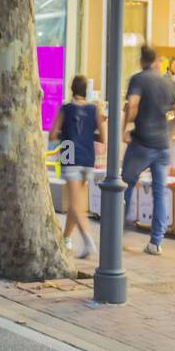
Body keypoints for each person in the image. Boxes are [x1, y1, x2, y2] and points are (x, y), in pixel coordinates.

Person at [122, 45, 175, 255]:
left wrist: (124, 129)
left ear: (140, 60)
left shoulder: (138, 79)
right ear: (157, 60)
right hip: (163, 145)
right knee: (159, 192)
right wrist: (171, 134)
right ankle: (156, 242)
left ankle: (117, 233)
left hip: (141, 143)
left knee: (124, 186)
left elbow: (133, 105)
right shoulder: (168, 82)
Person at [49, 75, 104, 259]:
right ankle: (65, 238)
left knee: (73, 203)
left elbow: (51, 135)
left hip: (69, 152)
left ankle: (88, 241)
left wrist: (65, 132)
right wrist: (87, 135)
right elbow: (103, 137)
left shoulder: (65, 109)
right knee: (78, 201)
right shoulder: (94, 109)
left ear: (71, 89)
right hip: (88, 156)